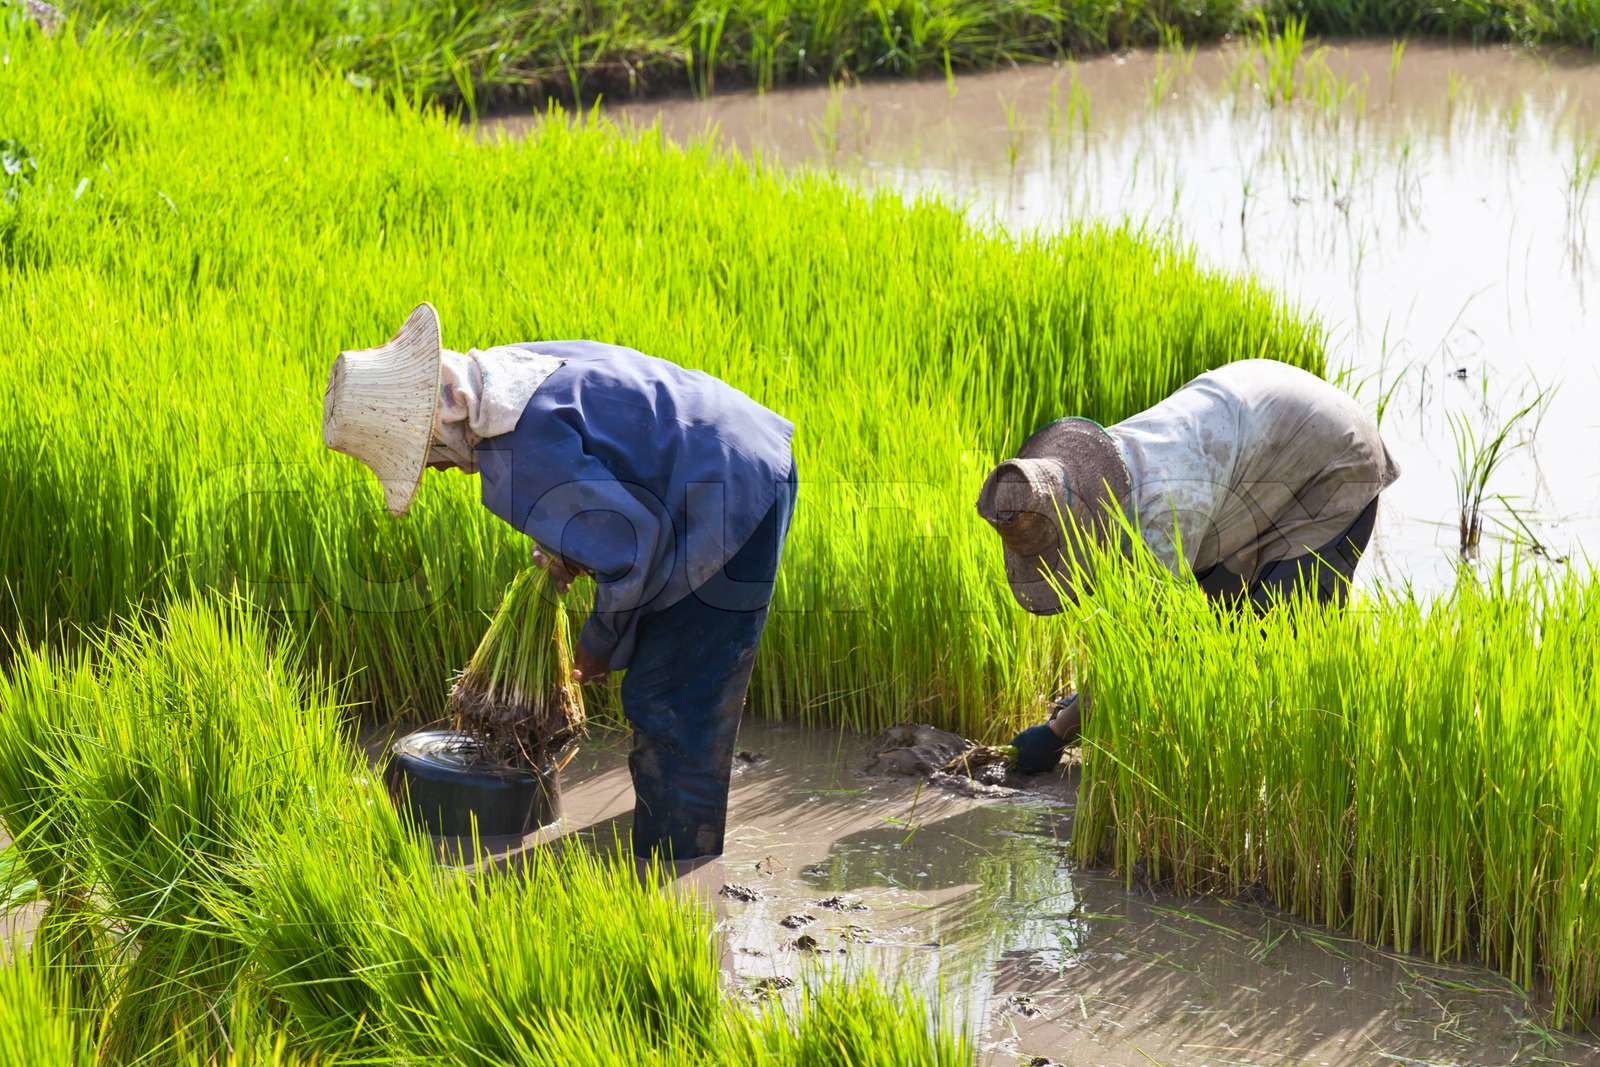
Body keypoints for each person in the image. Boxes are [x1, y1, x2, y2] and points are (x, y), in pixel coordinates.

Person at [322, 304, 797, 862]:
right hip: (738, 445)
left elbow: (631, 556)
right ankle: (666, 829)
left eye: (424, 457)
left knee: (669, 698)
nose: (435, 470)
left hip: (730, 496)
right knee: (666, 681)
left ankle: (680, 866)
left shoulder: (513, 456)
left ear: (433, 421)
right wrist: (571, 544)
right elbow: (609, 458)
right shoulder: (506, 375)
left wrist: (595, 648)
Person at [976, 358, 1400, 774]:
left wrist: (1057, 732)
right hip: (1259, 437)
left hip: (1333, 455)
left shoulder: (1159, 514)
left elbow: (1152, 651)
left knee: (1285, 649)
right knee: (1226, 627)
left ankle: (1313, 768)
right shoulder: (1101, 466)